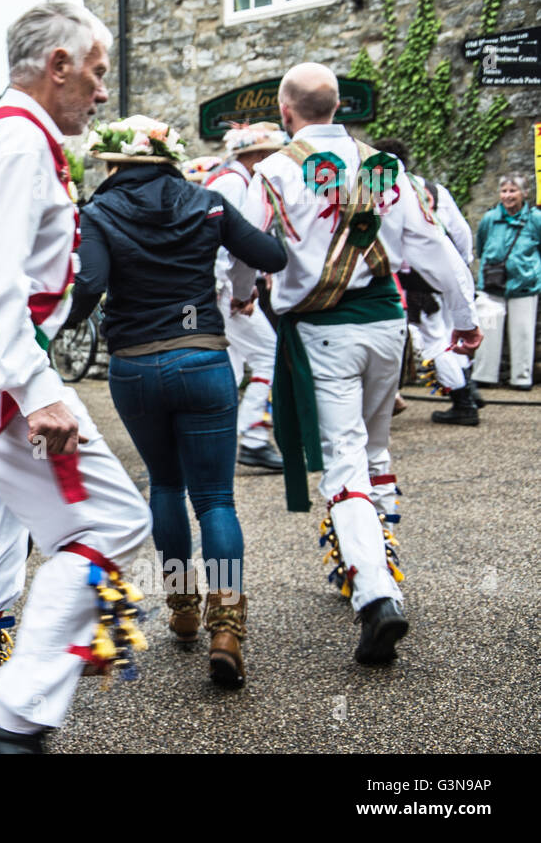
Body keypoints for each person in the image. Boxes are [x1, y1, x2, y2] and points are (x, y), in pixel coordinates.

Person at [0, 0, 153, 753]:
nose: (102, 90)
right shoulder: (18, 141)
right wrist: (36, 385)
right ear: (58, 66)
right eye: (96, 71)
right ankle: (14, 716)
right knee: (114, 523)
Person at [228, 62, 481, 664]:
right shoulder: (385, 168)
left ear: (287, 113)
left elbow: (243, 245)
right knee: (374, 450)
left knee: (343, 461)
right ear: (337, 107)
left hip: (323, 332)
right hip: (388, 325)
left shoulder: (273, 172)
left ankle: (375, 593)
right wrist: (464, 320)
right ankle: (378, 561)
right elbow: (433, 247)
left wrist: (240, 293)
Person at [67, 114, 287, 688]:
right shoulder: (209, 201)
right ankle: (227, 626)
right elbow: (271, 256)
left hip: (136, 365)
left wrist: (61, 327)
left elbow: (89, 284)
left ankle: (182, 607)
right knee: (215, 499)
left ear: (116, 164)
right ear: (170, 157)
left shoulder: (100, 212)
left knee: (164, 484)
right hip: (203, 360)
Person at [370, 138, 480, 424]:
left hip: (410, 281)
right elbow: (461, 233)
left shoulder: (381, 190)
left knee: (433, 342)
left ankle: (463, 401)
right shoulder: (433, 189)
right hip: (441, 275)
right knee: (446, 334)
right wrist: (461, 269)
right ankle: (467, 388)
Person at [206, 122, 292, 470]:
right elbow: (234, 247)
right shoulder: (236, 183)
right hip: (225, 289)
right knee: (268, 355)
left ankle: (220, 436)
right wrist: (242, 291)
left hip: (220, 287)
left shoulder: (229, 179)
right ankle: (252, 436)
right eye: (272, 154)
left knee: (233, 362)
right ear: (257, 157)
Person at [471, 175, 541, 391]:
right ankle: (484, 375)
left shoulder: (535, 218)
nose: (508, 196)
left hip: (524, 284)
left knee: (523, 332)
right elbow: (481, 247)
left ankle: (521, 378)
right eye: (504, 191)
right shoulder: (490, 218)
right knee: (489, 330)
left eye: (513, 191)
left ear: (524, 193)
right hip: (493, 283)